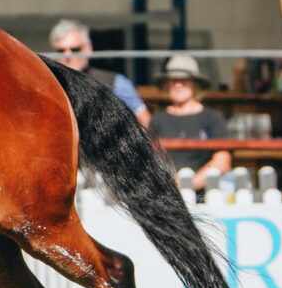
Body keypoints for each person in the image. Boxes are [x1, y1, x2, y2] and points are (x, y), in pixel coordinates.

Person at [148, 55, 231, 189]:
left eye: (184, 80)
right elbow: (151, 160)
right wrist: (171, 187)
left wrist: (188, 185)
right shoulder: (157, 119)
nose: (178, 84)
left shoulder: (213, 118)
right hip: (167, 192)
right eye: (173, 79)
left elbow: (222, 161)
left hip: (208, 193)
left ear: (195, 84)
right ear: (166, 84)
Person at [48, 20, 151, 127]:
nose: (67, 56)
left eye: (75, 49)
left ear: (88, 49)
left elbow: (145, 122)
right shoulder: (48, 85)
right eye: (60, 51)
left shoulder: (115, 83)